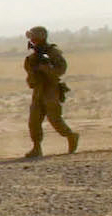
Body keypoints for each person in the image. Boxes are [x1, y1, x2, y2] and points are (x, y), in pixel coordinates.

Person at [21, 26, 78, 157]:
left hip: (51, 89)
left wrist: (48, 69)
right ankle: (36, 147)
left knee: (54, 119)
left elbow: (61, 69)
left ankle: (71, 136)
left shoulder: (53, 52)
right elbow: (30, 73)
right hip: (38, 90)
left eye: (34, 37)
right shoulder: (33, 56)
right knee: (34, 121)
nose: (32, 40)